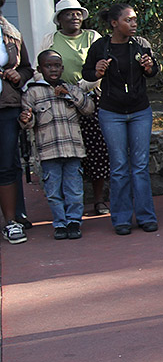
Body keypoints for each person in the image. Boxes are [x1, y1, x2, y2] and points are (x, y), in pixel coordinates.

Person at [82, 3, 161, 235]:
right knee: (118, 167)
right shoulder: (100, 47)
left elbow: (153, 71)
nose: (134, 24)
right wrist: (96, 72)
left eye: (135, 19)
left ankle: (146, 217)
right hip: (111, 112)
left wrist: (149, 67)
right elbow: (86, 73)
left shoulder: (141, 45)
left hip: (139, 111)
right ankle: (121, 219)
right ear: (114, 23)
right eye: (129, 20)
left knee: (139, 166)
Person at [39, 0, 109, 217]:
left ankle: (98, 200)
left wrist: (80, 87)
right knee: (66, 154)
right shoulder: (50, 39)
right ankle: (66, 206)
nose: (75, 17)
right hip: (59, 100)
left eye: (78, 13)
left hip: (91, 96)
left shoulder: (93, 37)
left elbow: (102, 67)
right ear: (59, 19)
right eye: (69, 13)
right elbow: (38, 67)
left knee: (96, 149)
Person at [20, 50, 95, 240]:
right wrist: (26, 118)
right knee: (53, 191)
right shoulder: (32, 93)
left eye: (56, 66)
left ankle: (73, 222)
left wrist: (70, 95)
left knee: (75, 190)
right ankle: (60, 223)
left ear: (62, 68)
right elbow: (28, 122)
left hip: (73, 150)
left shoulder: (72, 88)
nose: (53, 69)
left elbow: (88, 108)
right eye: (48, 66)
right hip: (48, 152)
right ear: (39, 69)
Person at [1, 0, 34, 245]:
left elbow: (27, 68)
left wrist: (17, 76)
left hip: (6, 106)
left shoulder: (11, 34)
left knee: (7, 164)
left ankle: (11, 221)